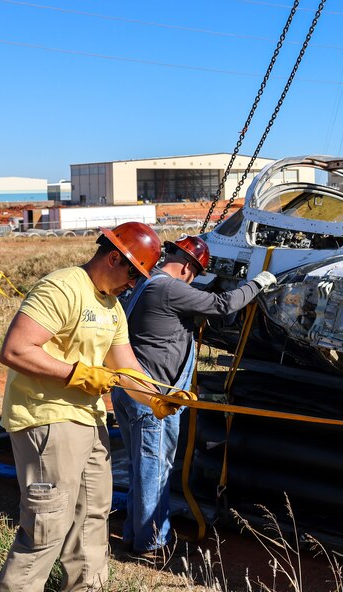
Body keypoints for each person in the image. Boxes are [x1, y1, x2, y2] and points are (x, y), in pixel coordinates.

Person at [0, 222, 165, 592]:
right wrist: (77, 374)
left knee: (92, 517)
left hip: (89, 421)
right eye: (134, 274)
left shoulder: (112, 307)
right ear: (114, 258)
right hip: (47, 418)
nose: (133, 284)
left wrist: (158, 399)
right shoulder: (63, 287)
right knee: (47, 525)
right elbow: (16, 349)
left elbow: (126, 368)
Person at [114, 235, 276, 555]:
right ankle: (152, 543)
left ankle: (135, 535)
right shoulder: (169, 288)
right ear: (189, 269)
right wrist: (258, 283)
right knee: (154, 469)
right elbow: (223, 305)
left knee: (140, 467)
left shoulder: (146, 284)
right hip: (153, 398)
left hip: (131, 392)